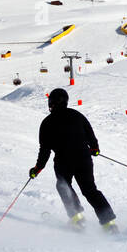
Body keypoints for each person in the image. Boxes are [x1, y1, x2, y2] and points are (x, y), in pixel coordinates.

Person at [29, 88, 117, 233]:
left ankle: (77, 218)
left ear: (50, 103)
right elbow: (90, 133)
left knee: (64, 186)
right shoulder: (77, 115)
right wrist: (94, 148)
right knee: (90, 190)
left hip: (64, 161)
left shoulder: (47, 123)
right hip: (83, 158)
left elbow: (44, 150)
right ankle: (109, 223)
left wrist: (37, 169)